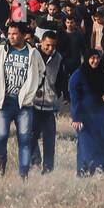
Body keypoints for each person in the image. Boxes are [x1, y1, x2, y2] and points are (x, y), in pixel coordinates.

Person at [0, 20, 44, 178]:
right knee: (1, 136)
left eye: (15, 33)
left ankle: (23, 174)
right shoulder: (1, 51)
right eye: (9, 33)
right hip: (3, 102)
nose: (11, 36)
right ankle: (1, 162)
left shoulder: (33, 53)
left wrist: (33, 89)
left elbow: (42, 72)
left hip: (24, 104)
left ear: (23, 35)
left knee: (24, 139)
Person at [68, 50, 104, 174]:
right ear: (86, 58)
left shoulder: (101, 74)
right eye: (92, 58)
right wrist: (76, 118)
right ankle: (85, 174)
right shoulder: (78, 75)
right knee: (87, 147)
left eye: (97, 58)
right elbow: (74, 99)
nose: (95, 61)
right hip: (84, 117)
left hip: (100, 116)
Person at [29, 30, 65, 173]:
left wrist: (61, 94)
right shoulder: (31, 54)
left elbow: (61, 78)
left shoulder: (58, 57)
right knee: (31, 137)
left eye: (53, 46)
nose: (50, 49)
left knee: (50, 141)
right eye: (47, 45)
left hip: (50, 105)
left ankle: (48, 169)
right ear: (41, 42)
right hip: (32, 104)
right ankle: (34, 162)